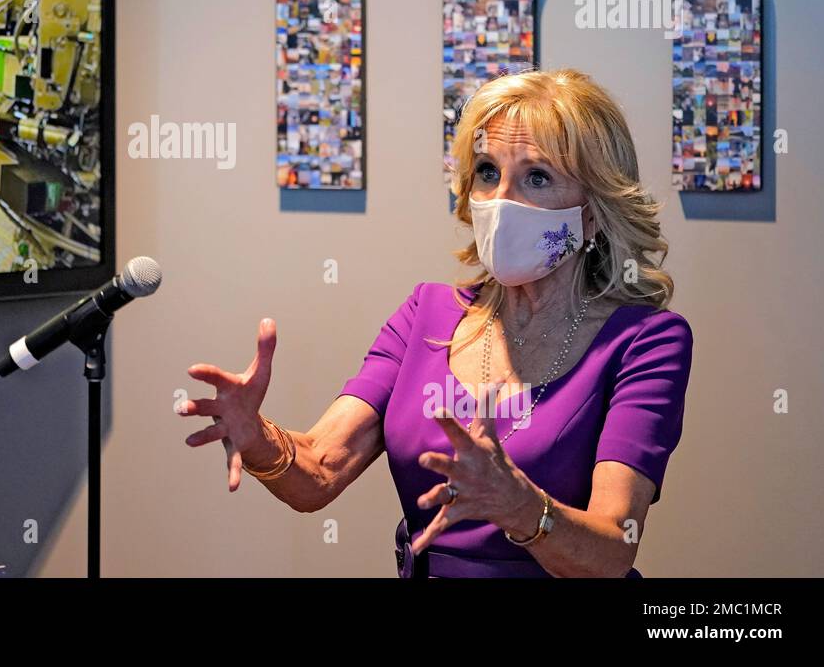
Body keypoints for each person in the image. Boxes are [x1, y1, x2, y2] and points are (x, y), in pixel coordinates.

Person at [181, 69, 693, 578]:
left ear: (593, 212)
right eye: (488, 172)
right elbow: (319, 472)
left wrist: (518, 506)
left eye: (537, 177)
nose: (500, 201)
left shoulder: (644, 342)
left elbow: (611, 551)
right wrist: (257, 436)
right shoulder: (426, 313)